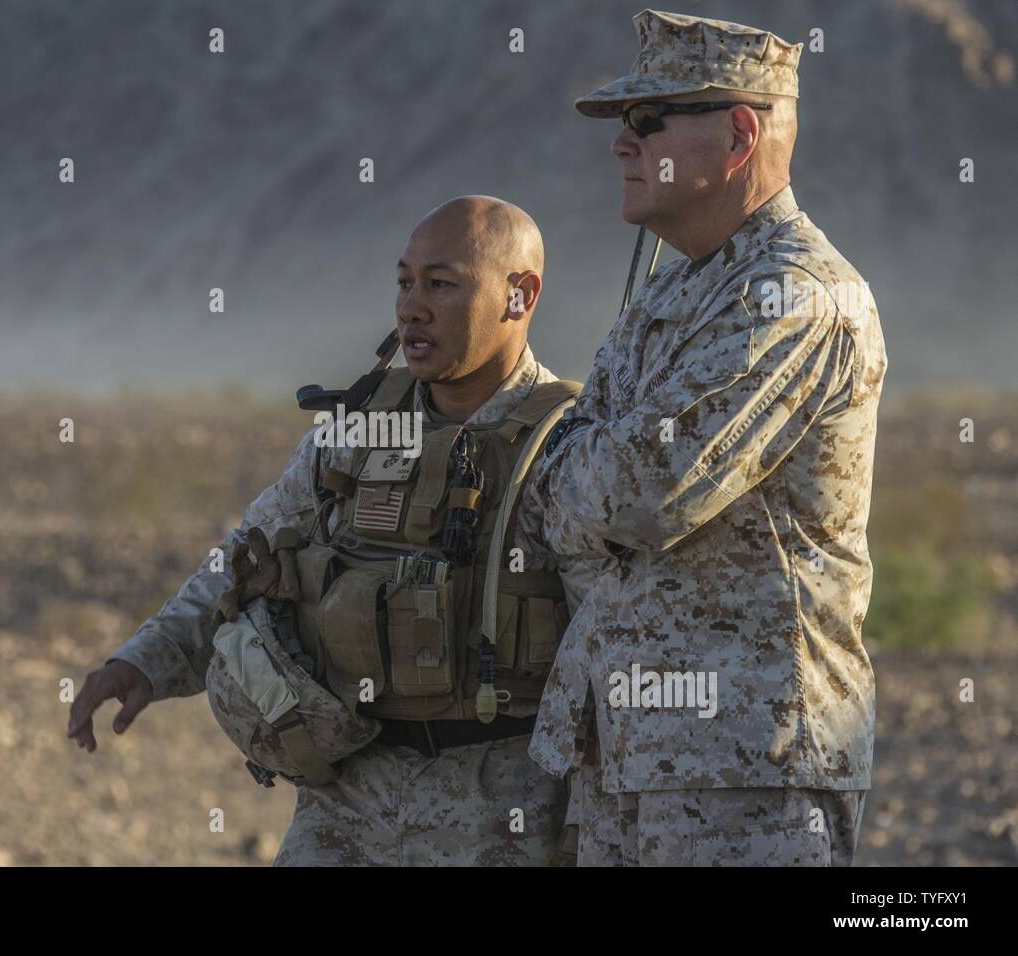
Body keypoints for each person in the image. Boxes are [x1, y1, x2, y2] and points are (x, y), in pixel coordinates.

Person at [70, 195, 594, 865]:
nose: (411, 306)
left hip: (500, 808)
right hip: (348, 797)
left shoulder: (566, 446)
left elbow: (608, 644)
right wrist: (143, 661)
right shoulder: (355, 433)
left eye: (441, 284)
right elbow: (242, 558)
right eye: (404, 282)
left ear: (519, 296)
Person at [529, 10, 888, 866]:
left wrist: (577, 471)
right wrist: (578, 471)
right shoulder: (676, 293)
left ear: (737, 136)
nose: (621, 144)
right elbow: (565, 472)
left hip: (749, 768)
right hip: (630, 754)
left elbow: (642, 492)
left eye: (646, 120)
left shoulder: (795, 299)